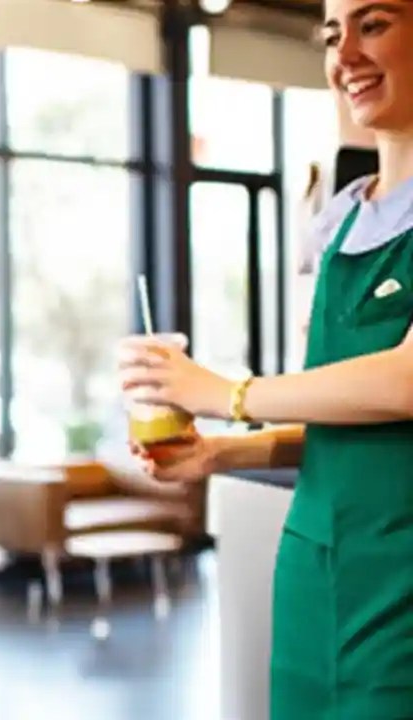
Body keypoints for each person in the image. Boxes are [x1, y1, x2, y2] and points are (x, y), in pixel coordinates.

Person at [119, 2, 413, 715]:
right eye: (332, 34)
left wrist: (229, 393)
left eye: (373, 25)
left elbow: (405, 381)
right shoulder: (339, 222)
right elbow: (349, 424)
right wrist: (220, 454)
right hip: (316, 574)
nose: (345, 55)